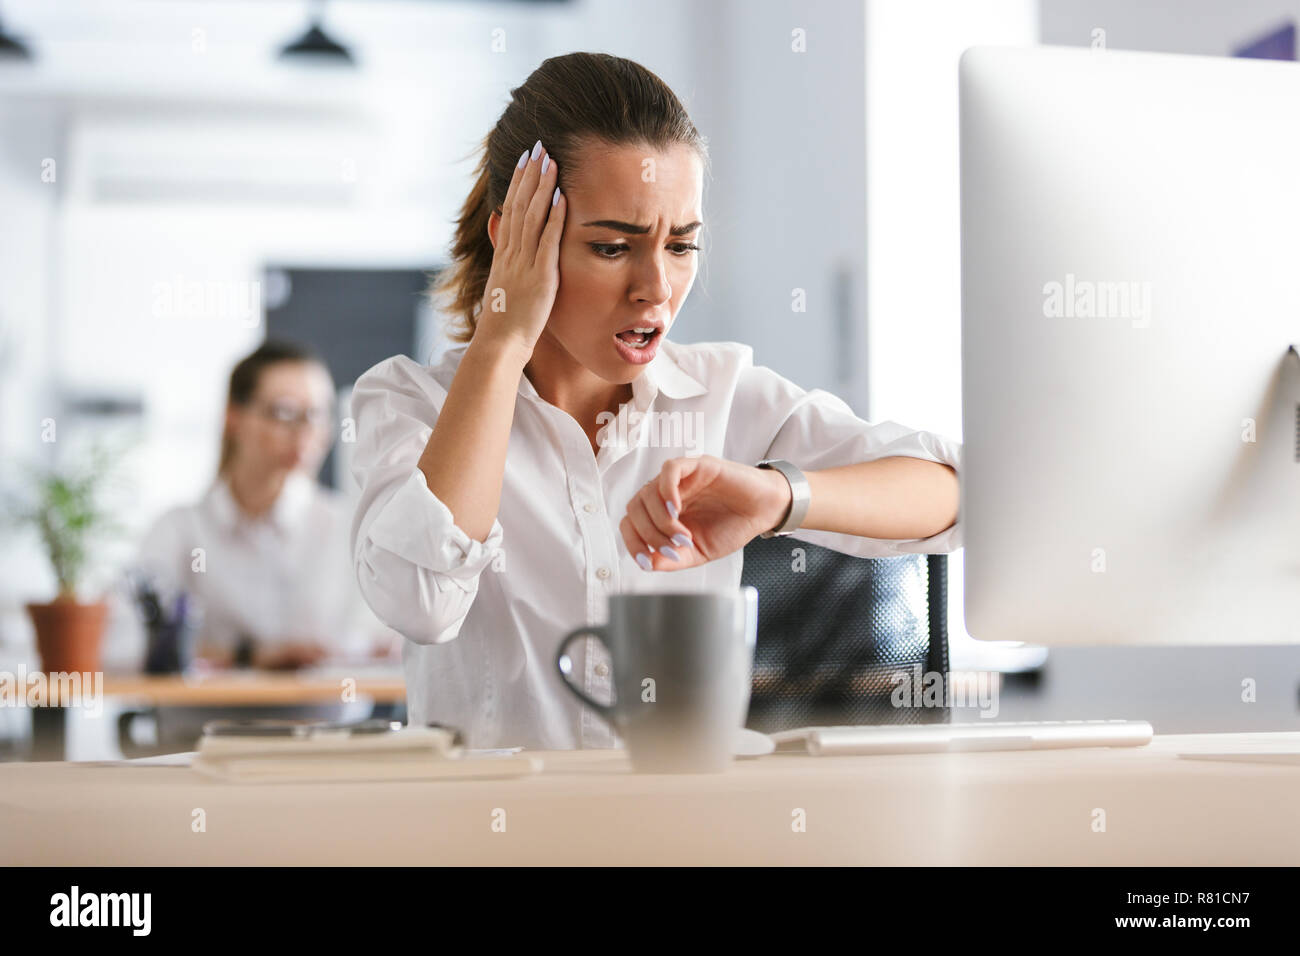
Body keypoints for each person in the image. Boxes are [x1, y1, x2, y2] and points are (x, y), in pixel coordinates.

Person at [349, 52, 961, 751]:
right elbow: (421, 604)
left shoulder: (726, 397)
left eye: (682, 246)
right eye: (613, 248)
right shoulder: (407, 404)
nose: (657, 288)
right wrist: (500, 339)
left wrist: (777, 497)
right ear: (514, 239)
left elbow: (955, 494)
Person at [137, 339, 395, 669]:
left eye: (317, 414)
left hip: (325, 718)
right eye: (284, 412)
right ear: (234, 417)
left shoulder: (352, 527)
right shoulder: (180, 530)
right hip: (206, 718)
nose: (305, 431)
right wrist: (247, 657)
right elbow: (131, 648)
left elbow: (383, 644)